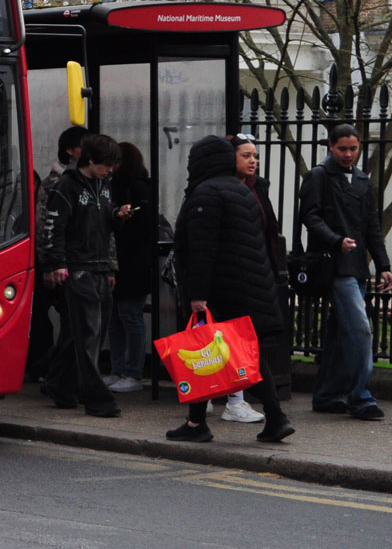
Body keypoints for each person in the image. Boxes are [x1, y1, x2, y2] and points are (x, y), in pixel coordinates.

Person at [165, 135, 293, 444]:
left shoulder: (206, 194)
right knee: (227, 353)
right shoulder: (242, 191)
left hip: (222, 289)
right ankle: (201, 422)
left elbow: (202, 250)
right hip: (248, 286)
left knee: (211, 351)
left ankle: (270, 418)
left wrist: (197, 295)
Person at [299, 123, 392, 422]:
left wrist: (384, 265)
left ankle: (327, 395)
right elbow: (309, 216)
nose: (348, 154)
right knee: (361, 330)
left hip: (357, 267)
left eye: (353, 148)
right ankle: (360, 397)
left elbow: (372, 226)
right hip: (334, 265)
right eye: (342, 149)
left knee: (342, 333)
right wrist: (336, 240)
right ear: (330, 146)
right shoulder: (318, 176)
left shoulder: (363, 180)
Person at [37, 132, 128, 418]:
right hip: (78, 268)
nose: (109, 170)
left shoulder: (103, 185)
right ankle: (97, 398)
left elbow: (102, 224)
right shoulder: (67, 186)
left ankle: (60, 384)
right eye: (106, 164)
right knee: (89, 335)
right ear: (90, 160)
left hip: (97, 266)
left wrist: (116, 217)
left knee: (81, 333)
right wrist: (56, 263)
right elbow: (53, 227)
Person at [217, 134, 284, 423]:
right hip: (228, 276)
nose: (253, 161)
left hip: (256, 274)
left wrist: (273, 270)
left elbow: (269, 230)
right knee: (227, 340)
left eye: (255, 156)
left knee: (244, 341)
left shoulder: (258, 188)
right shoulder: (216, 188)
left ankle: (232, 402)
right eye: (246, 156)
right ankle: (216, 402)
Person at [28, 125, 88, 382]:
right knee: (69, 325)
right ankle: (52, 372)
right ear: (71, 151)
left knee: (75, 326)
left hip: (78, 262)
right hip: (61, 263)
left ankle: (57, 373)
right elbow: (45, 225)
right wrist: (49, 264)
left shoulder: (89, 181)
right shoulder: (56, 182)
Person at [106, 142, 154, 394]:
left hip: (133, 263)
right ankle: (119, 370)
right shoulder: (120, 186)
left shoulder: (136, 187)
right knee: (118, 317)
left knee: (128, 316)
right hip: (126, 262)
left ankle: (132, 372)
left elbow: (142, 227)